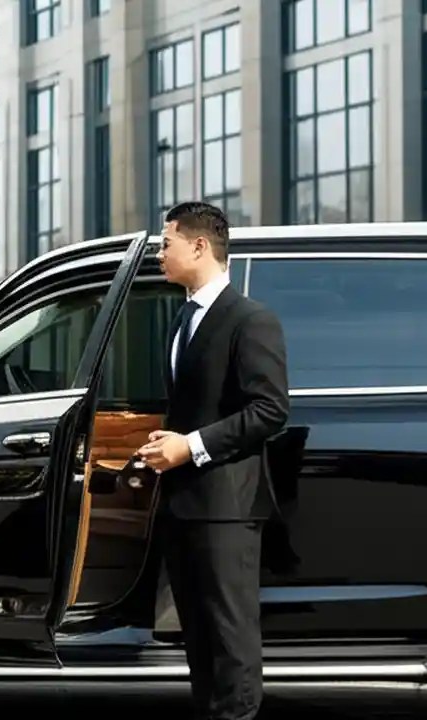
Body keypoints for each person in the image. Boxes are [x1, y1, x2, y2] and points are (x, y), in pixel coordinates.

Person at [136, 201, 290, 720]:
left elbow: (270, 410)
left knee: (230, 647)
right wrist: (168, 442)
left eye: (166, 243)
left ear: (200, 246)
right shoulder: (182, 319)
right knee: (200, 650)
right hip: (182, 507)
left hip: (227, 507)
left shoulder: (250, 319)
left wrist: (190, 446)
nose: (159, 254)